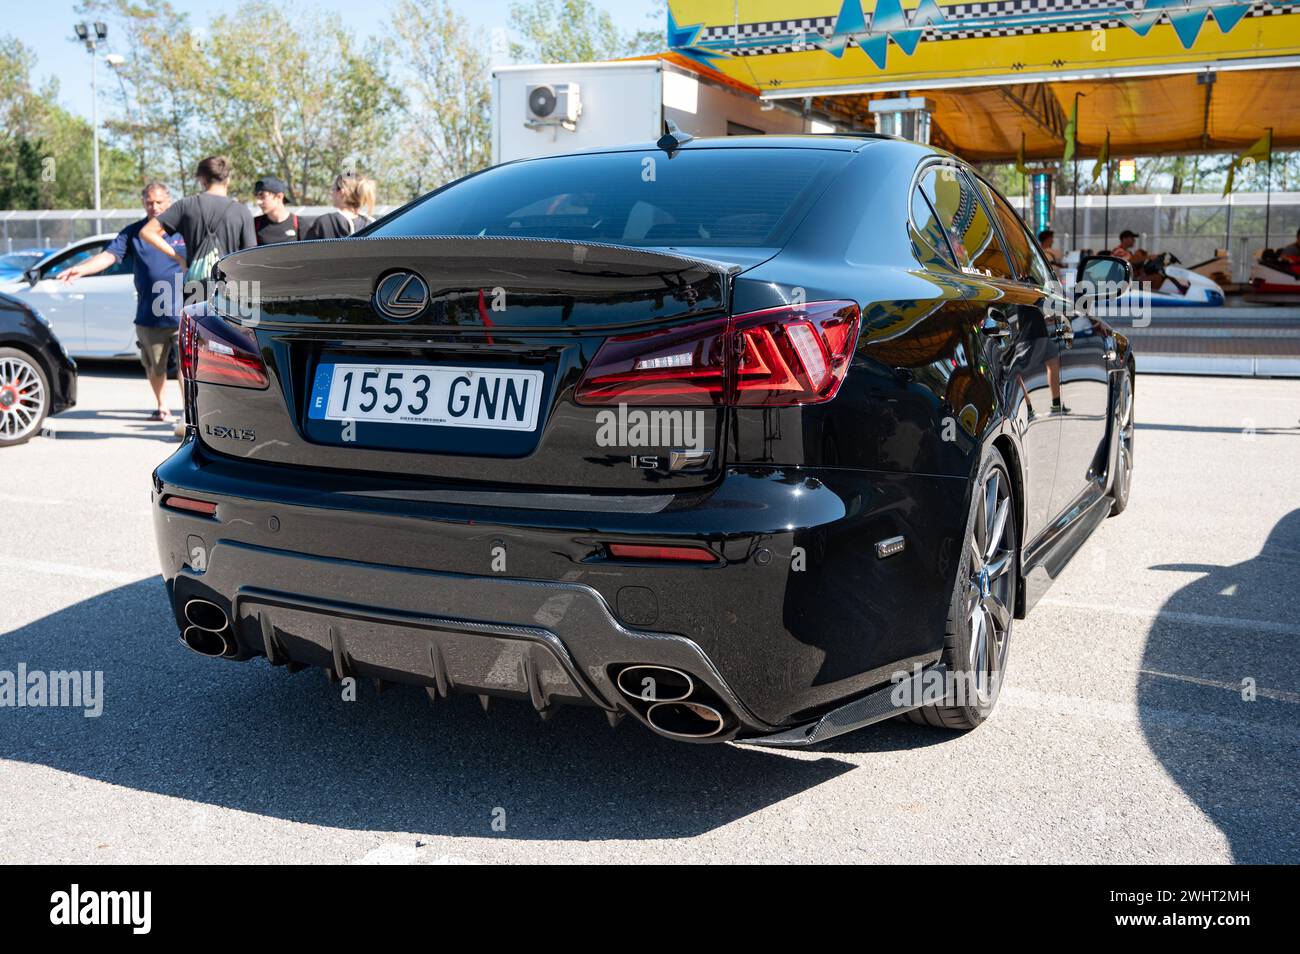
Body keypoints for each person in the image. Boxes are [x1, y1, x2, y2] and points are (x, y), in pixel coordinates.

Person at [57, 182, 186, 428]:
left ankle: (187, 412)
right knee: (154, 367)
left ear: (169, 202)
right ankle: (162, 406)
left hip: (184, 313)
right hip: (150, 315)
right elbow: (109, 256)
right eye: (149, 202)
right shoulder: (133, 233)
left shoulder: (183, 232)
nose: (154, 206)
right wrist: (81, 269)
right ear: (143, 203)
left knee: (185, 367)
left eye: (159, 202)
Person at [140, 155, 255, 285]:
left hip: (195, 290)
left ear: (202, 179)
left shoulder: (185, 205)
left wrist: (179, 258)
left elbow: (146, 232)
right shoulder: (242, 211)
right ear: (227, 179)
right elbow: (250, 257)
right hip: (230, 290)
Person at [304, 172, 377, 239]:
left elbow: (305, 251)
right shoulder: (372, 224)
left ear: (342, 192)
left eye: (333, 189)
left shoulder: (325, 222)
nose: (331, 193)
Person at [253, 176, 301, 245]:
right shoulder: (255, 225)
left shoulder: (299, 224)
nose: (258, 202)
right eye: (257, 197)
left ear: (279, 196)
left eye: (263, 196)